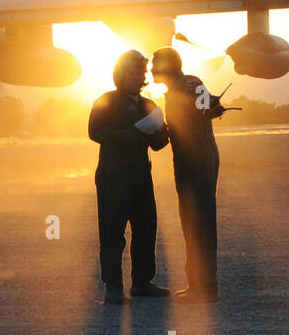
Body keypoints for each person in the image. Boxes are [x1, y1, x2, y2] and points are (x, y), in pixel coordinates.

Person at [89, 50, 170, 305]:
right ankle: (113, 287)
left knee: (146, 229)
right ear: (121, 74)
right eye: (133, 72)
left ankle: (142, 283)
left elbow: (158, 144)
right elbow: (95, 132)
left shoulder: (149, 105)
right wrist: (131, 134)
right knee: (112, 232)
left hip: (141, 174)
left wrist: (163, 131)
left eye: (141, 72)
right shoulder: (106, 100)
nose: (139, 76)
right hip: (113, 174)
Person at [151, 46, 224, 302]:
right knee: (191, 221)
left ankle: (205, 288)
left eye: (155, 64)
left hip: (198, 161)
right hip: (188, 161)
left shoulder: (189, 83)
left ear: (167, 66)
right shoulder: (176, 89)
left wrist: (211, 105)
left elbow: (205, 104)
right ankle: (198, 285)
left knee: (199, 221)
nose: (151, 70)